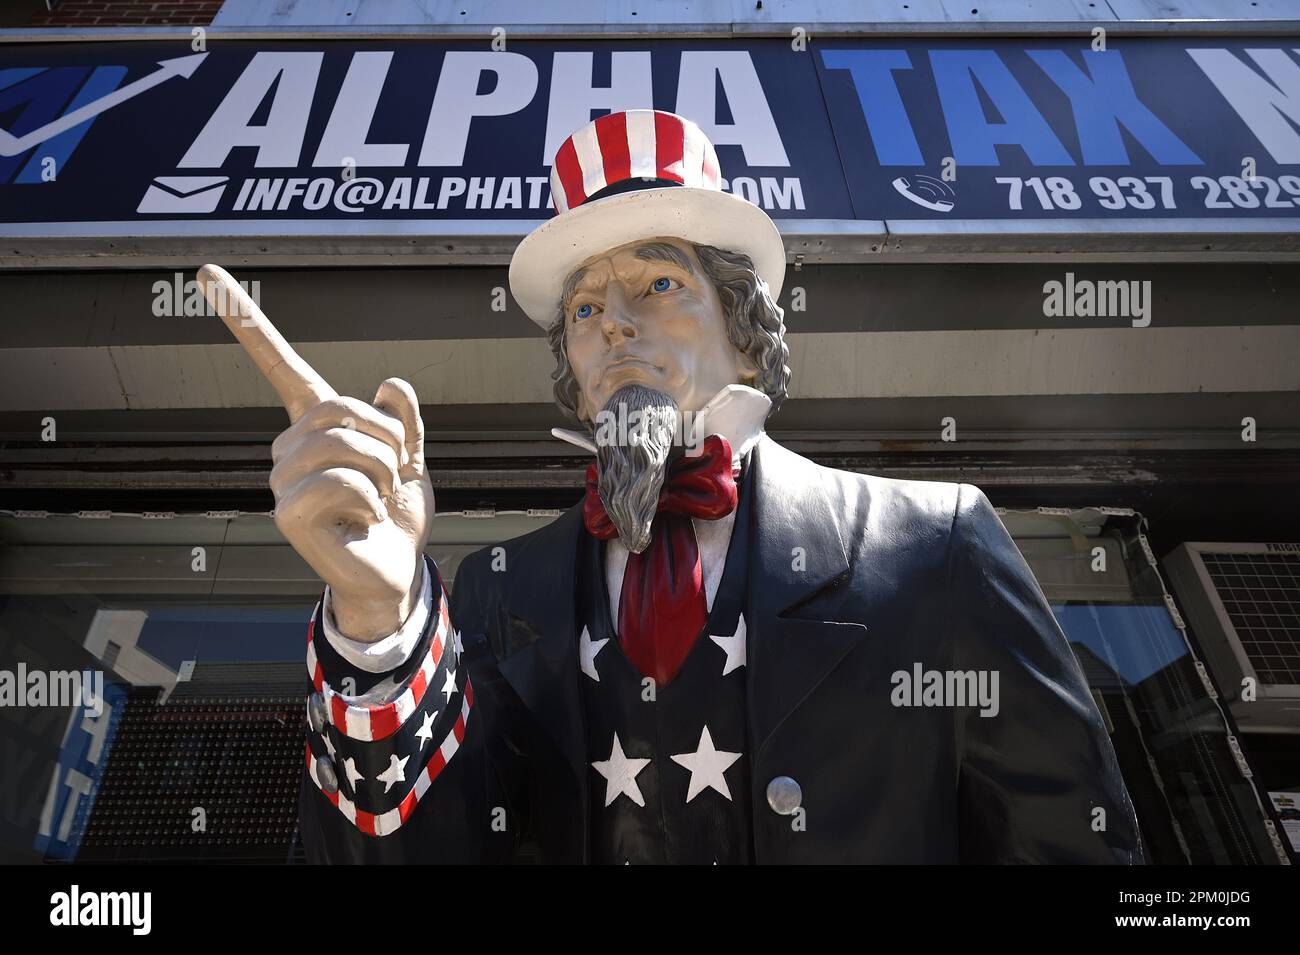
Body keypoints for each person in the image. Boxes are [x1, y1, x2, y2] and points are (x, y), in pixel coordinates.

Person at [199, 109, 1143, 864]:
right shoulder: (488, 593)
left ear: (746, 329)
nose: (613, 324)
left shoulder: (934, 547)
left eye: (658, 284)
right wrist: (376, 621)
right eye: (585, 306)